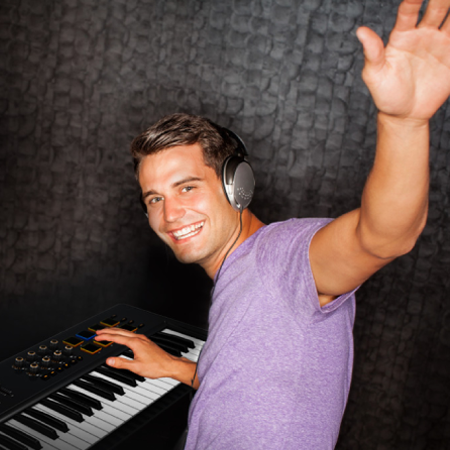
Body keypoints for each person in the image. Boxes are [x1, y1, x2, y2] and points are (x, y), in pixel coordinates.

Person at [96, 0, 450, 448]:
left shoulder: (283, 255)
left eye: (187, 188)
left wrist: (405, 122)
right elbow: (251, 389)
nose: (169, 214)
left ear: (236, 185)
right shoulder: (239, 274)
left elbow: (383, 237)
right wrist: (177, 368)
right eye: (155, 198)